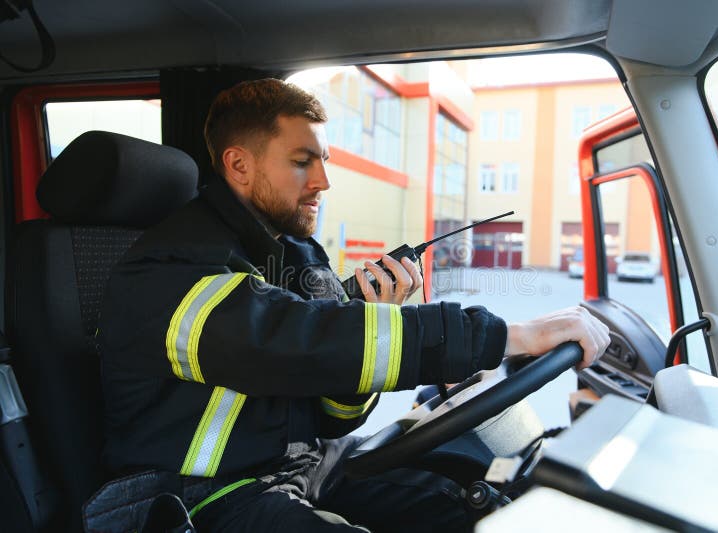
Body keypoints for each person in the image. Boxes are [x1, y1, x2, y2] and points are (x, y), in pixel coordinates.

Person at [97, 78, 610, 532]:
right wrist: (504, 338)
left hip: (307, 470)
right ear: (239, 164)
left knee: (468, 508)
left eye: (323, 161)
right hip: (203, 497)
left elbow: (333, 413)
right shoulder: (168, 271)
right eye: (302, 162)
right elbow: (294, 342)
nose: (323, 180)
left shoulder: (296, 253)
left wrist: (374, 320)